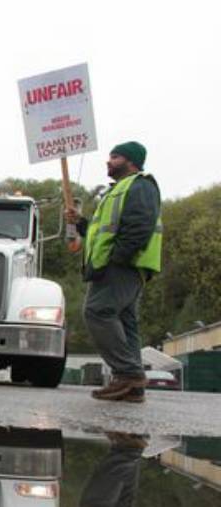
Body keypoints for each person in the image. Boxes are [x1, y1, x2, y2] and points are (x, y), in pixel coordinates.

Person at [66, 142, 162, 403]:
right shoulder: (118, 190)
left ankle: (128, 374)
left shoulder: (140, 185)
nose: (108, 161)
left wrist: (117, 259)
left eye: (115, 157)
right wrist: (81, 223)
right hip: (122, 265)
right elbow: (104, 232)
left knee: (98, 312)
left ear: (131, 161)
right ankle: (132, 387)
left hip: (121, 266)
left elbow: (140, 226)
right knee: (126, 322)